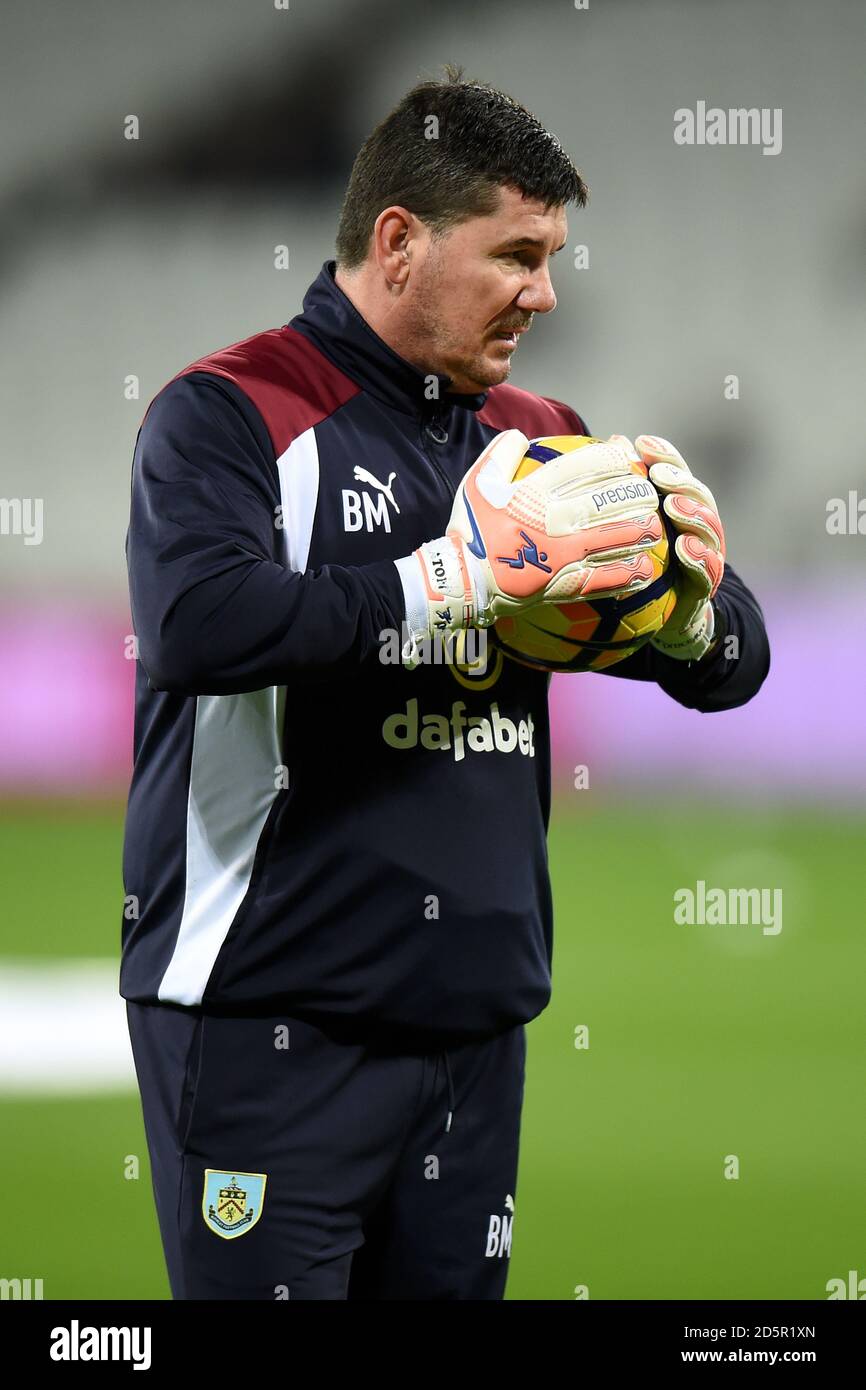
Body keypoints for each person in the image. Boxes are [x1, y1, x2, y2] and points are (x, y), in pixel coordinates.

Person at [121, 66, 769, 1301]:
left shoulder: (537, 434)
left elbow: (731, 661)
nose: (544, 289)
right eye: (516, 253)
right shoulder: (230, 412)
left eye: (554, 254)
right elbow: (201, 624)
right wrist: (454, 585)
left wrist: (688, 615)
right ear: (399, 241)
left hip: (472, 1041)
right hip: (267, 1030)